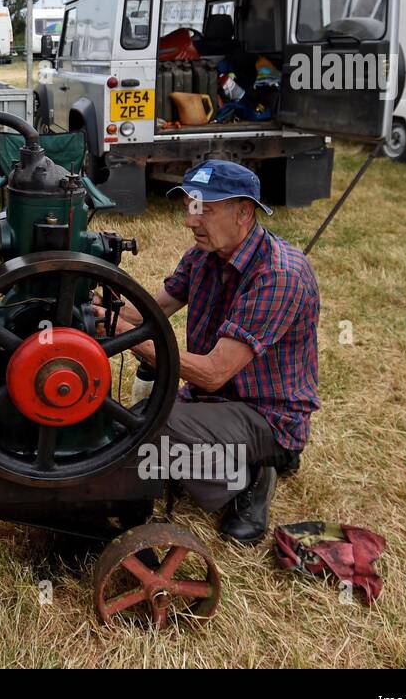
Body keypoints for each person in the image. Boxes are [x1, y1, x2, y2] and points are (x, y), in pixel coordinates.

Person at [110, 159, 320, 545]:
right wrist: (95, 304)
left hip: (267, 415)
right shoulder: (202, 256)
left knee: (154, 427)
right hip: (213, 402)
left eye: (205, 209)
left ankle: (252, 473)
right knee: (135, 420)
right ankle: (227, 459)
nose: (191, 220)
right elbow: (149, 314)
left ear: (244, 212)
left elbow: (212, 372)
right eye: (190, 206)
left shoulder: (278, 275)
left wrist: (121, 332)